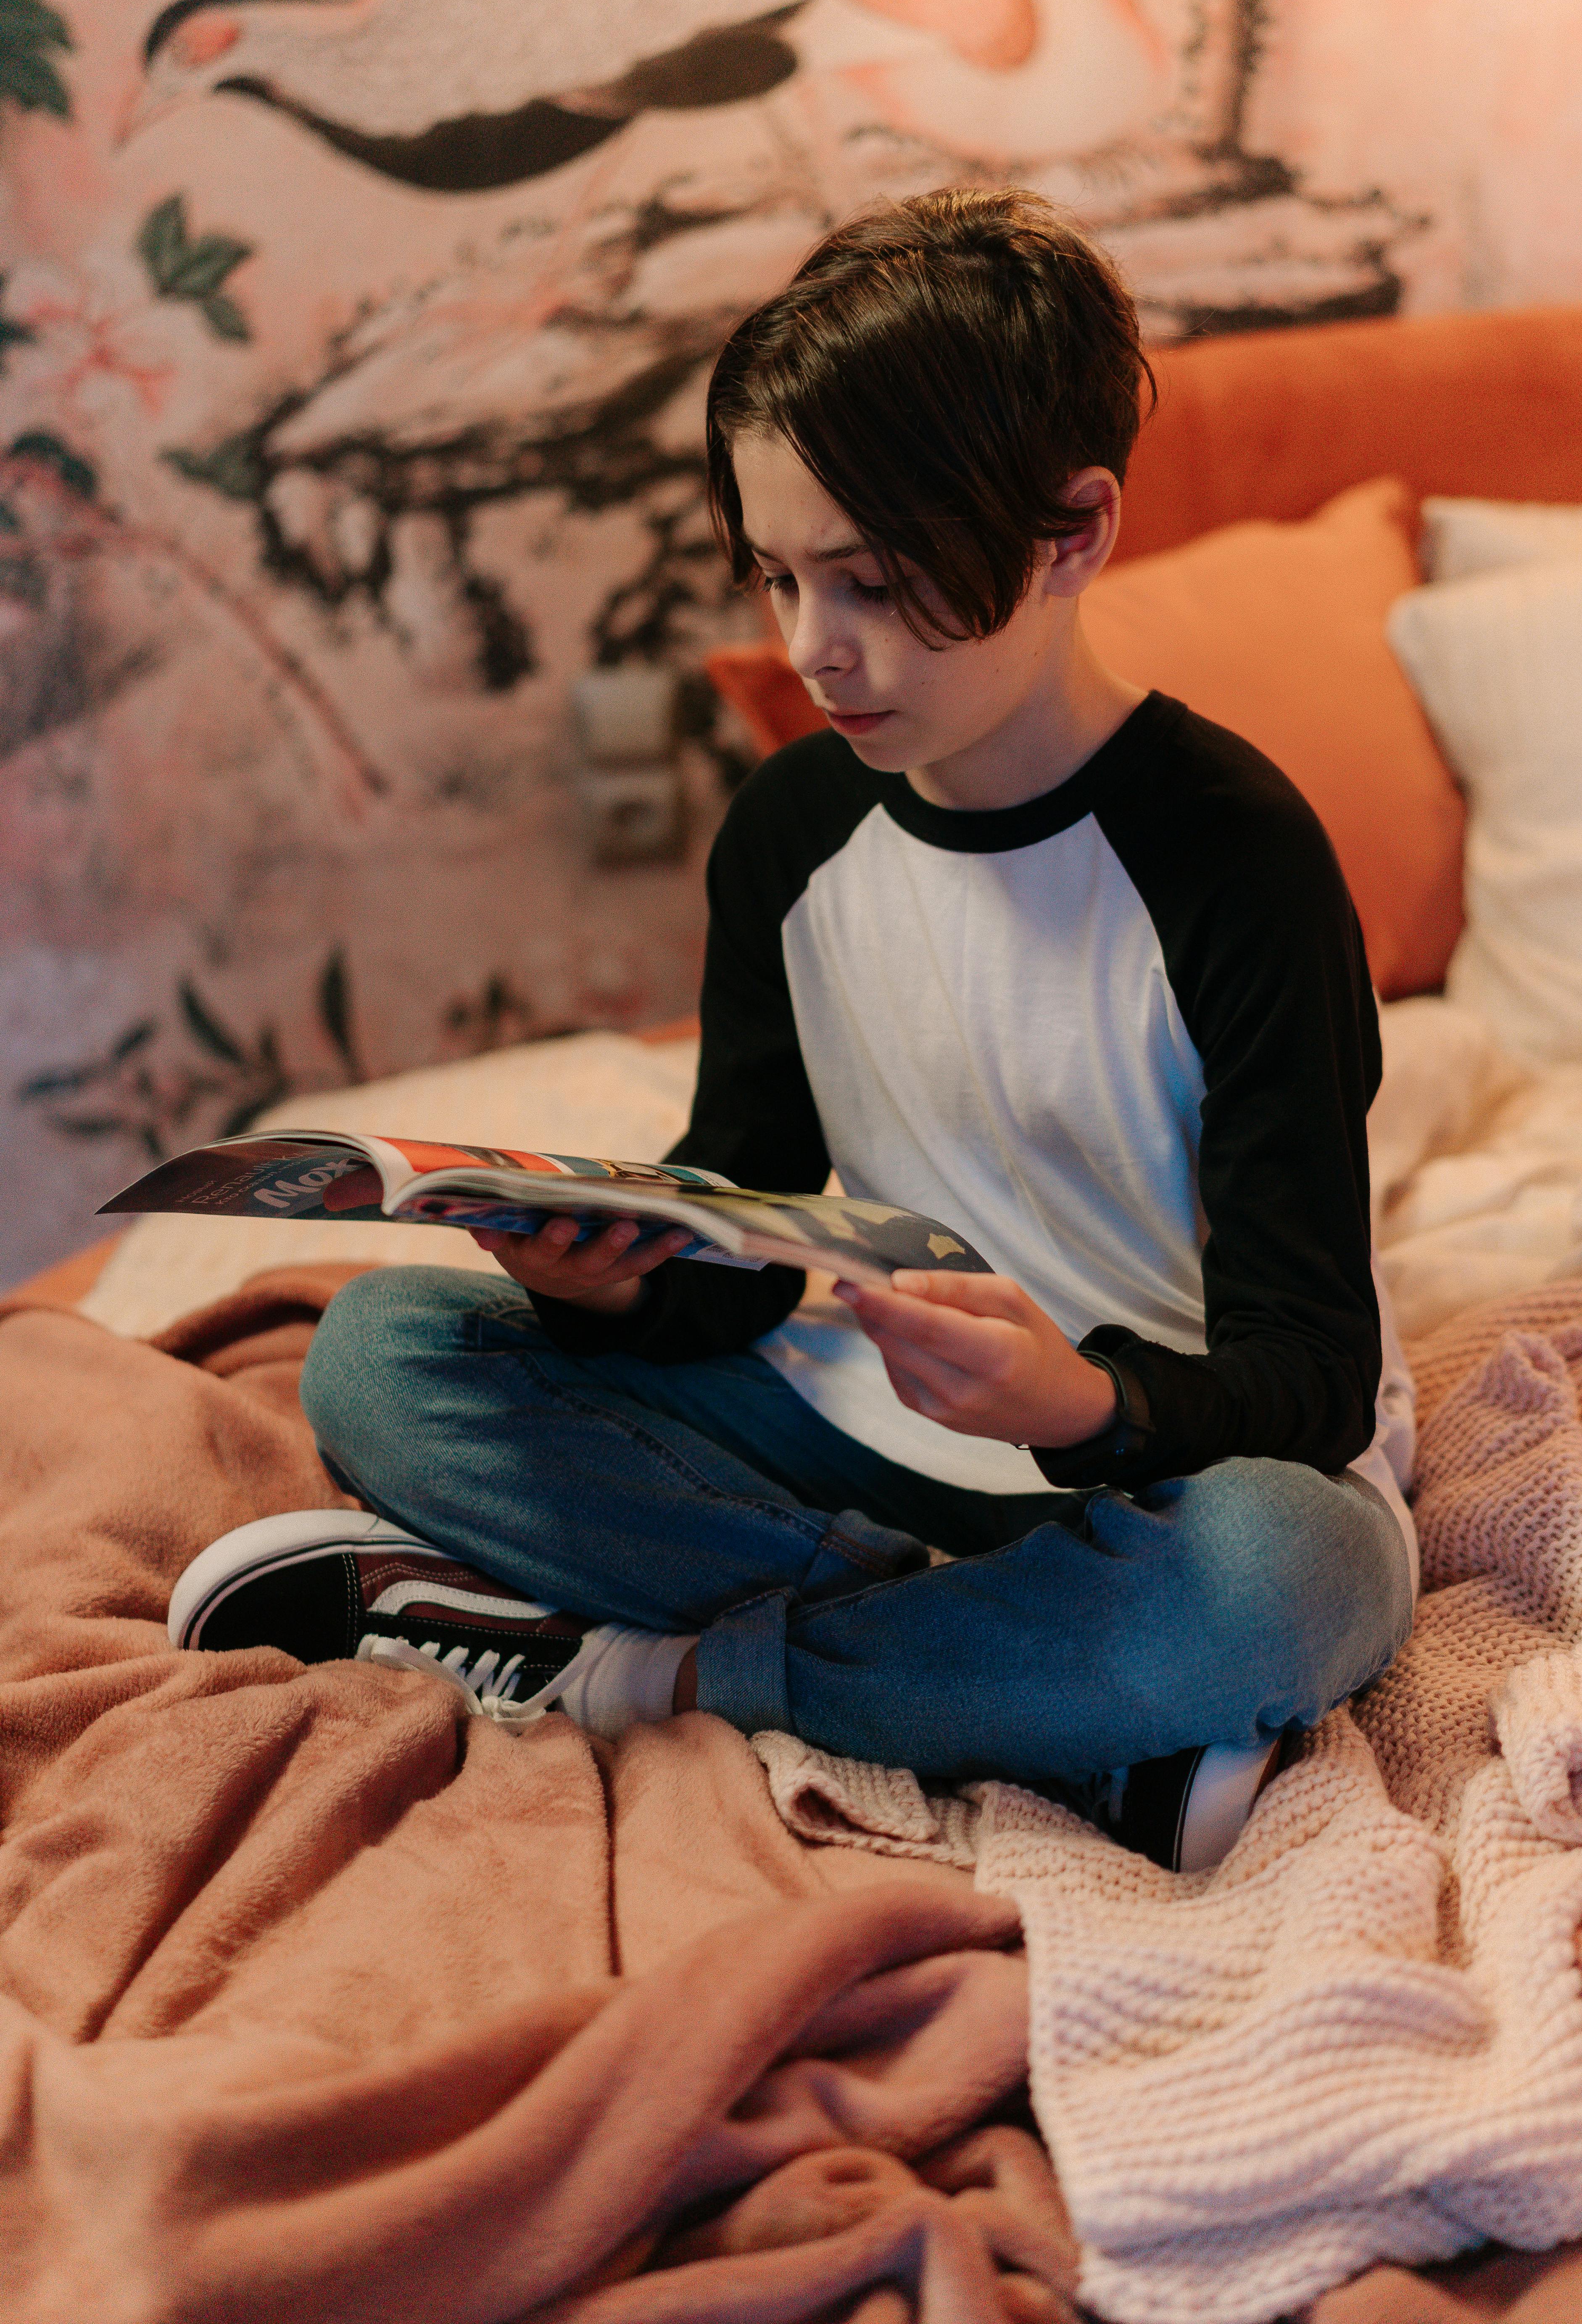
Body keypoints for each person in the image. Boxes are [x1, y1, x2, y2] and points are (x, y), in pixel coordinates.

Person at [169, 188, 1417, 1871]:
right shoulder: (790, 830)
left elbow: (1316, 1377)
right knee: (380, 1359)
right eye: (776, 575)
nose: (811, 648)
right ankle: (1005, 1691)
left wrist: (1075, 1405)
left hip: (1170, 1468)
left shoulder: (1234, 859)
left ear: (1074, 530)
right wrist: (613, 1281)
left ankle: (650, 1672)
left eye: (877, 584)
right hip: (854, 1428)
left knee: (1298, 1585)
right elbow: (750, 1222)